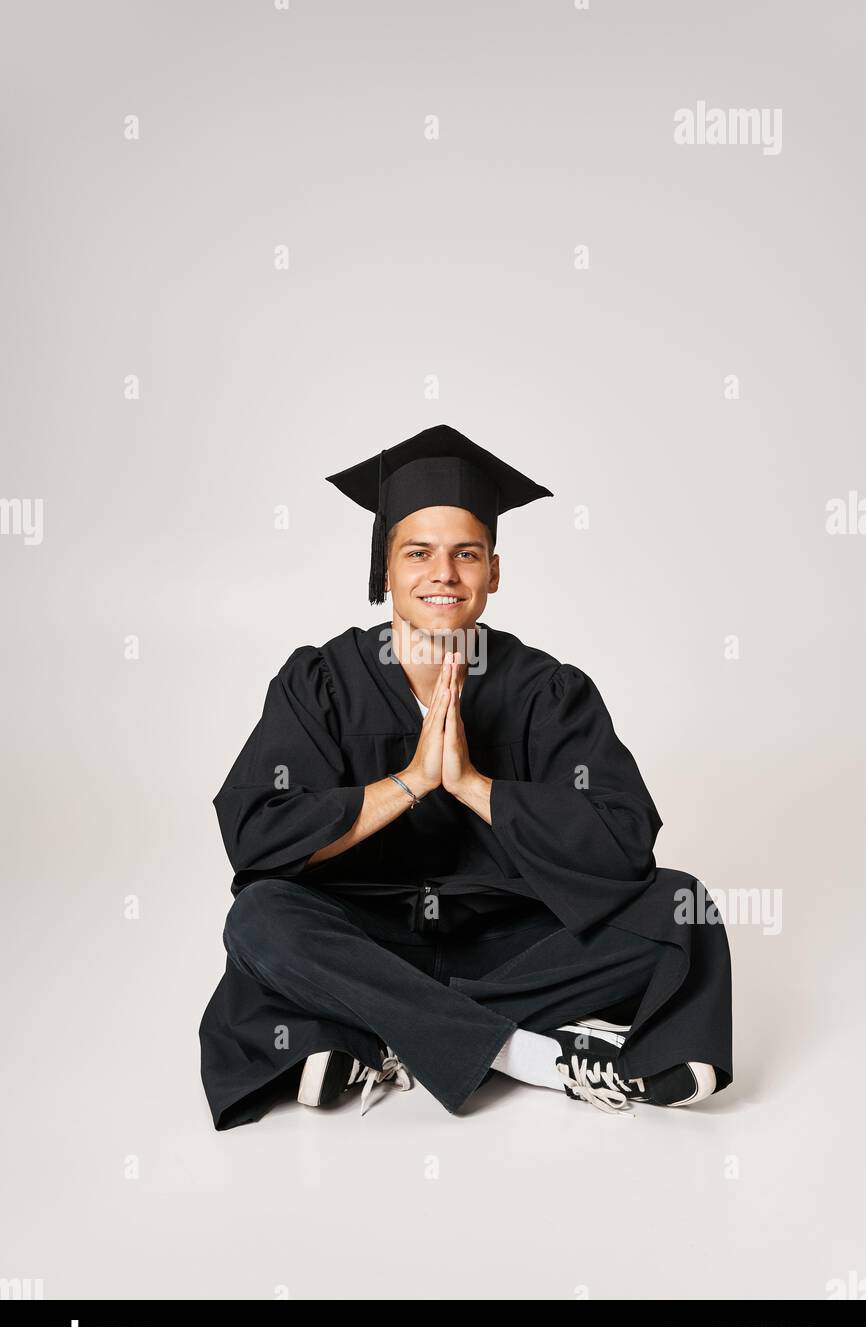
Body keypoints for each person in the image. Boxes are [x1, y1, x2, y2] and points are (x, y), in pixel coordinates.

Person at [199, 424, 733, 1129]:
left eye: (466, 554)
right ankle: (527, 1055)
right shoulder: (321, 682)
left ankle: (372, 1028)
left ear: (494, 571)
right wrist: (412, 782)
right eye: (417, 552)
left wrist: (474, 786)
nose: (442, 574)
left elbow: (626, 844)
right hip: (365, 938)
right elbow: (255, 835)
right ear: (384, 568)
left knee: (679, 909)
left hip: (509, 944)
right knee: (262, 920)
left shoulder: (548, 691)